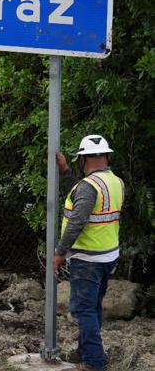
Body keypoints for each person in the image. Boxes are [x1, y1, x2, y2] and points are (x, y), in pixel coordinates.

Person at [53, 135, 125, 371]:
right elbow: (81, 194)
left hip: (88, 259)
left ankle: (95, 363)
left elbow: (76, 222)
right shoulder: (115, 182)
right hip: (107, 256)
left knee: (84, 310)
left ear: (84, 159)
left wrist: (60, 252)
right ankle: (85, 351)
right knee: (93, 307)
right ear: (107, 156)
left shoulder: (89, 187)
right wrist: (64, 172)